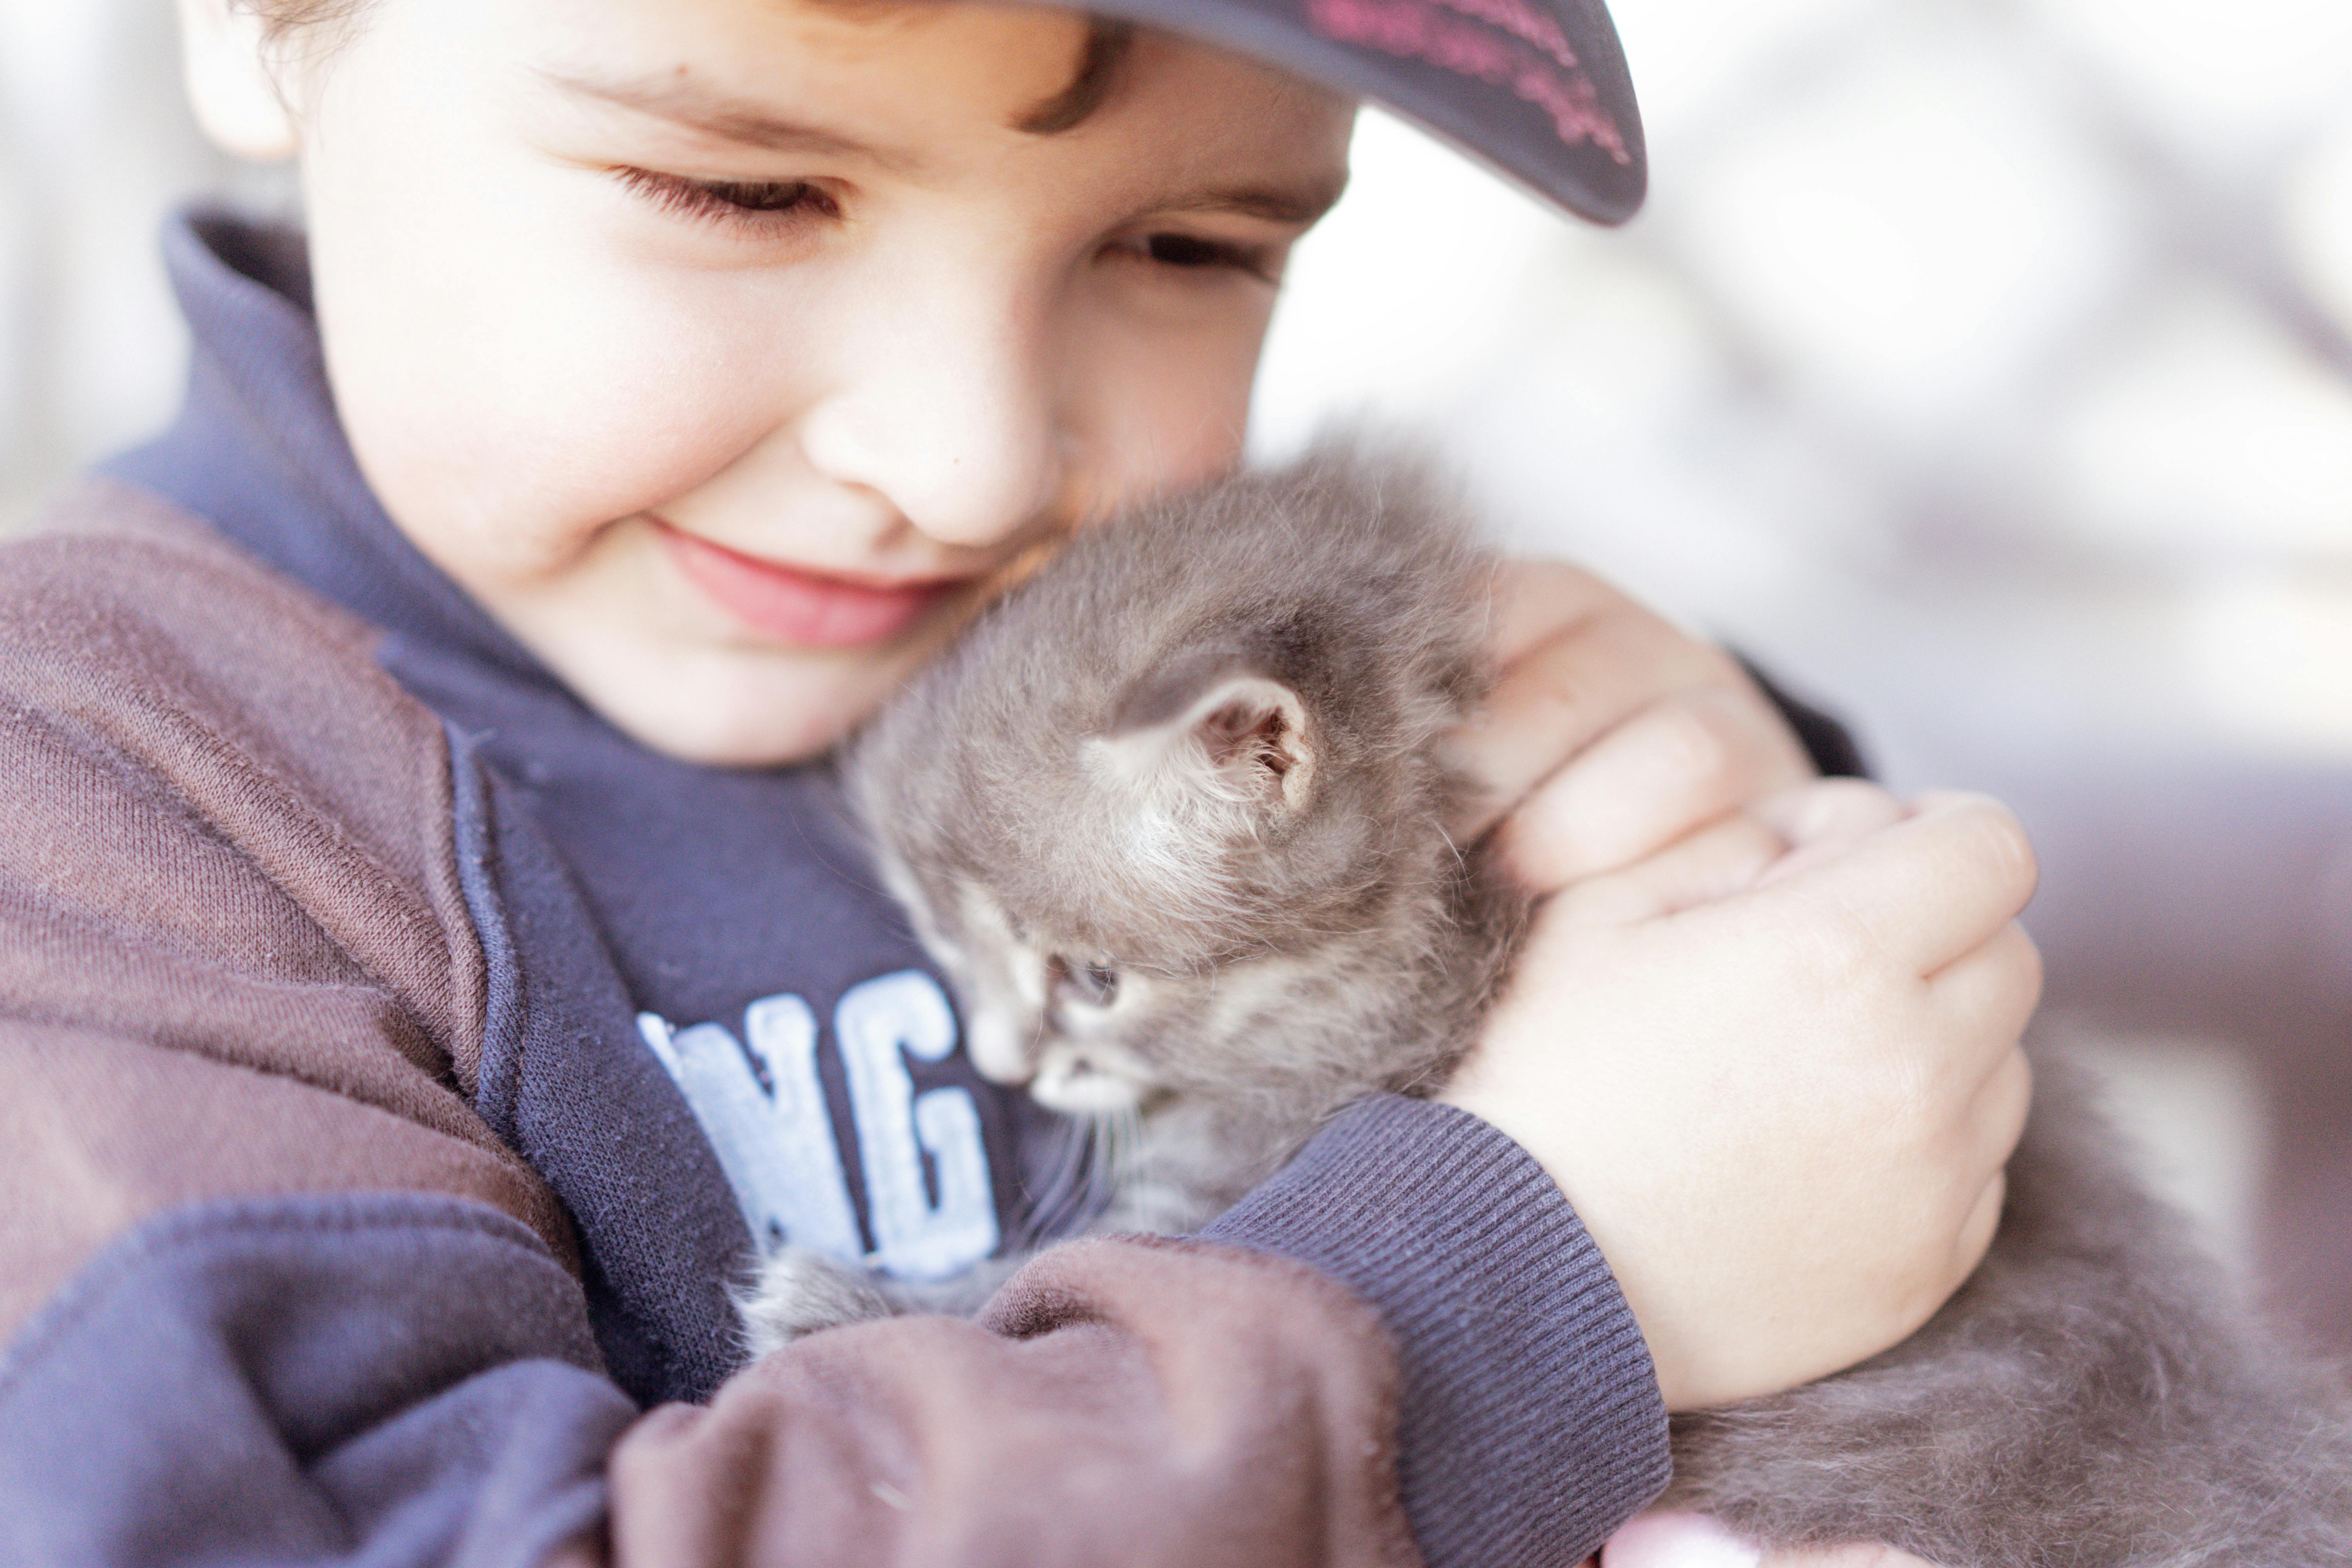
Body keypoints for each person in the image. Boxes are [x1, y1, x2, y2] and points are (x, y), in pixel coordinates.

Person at [0, 0, 2037, 1563]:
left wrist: (1722, 842)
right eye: (749, 190)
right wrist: (1524, 1288)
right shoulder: (92, 805)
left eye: (1188, 242)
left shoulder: (1134, 655)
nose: (972, 466)